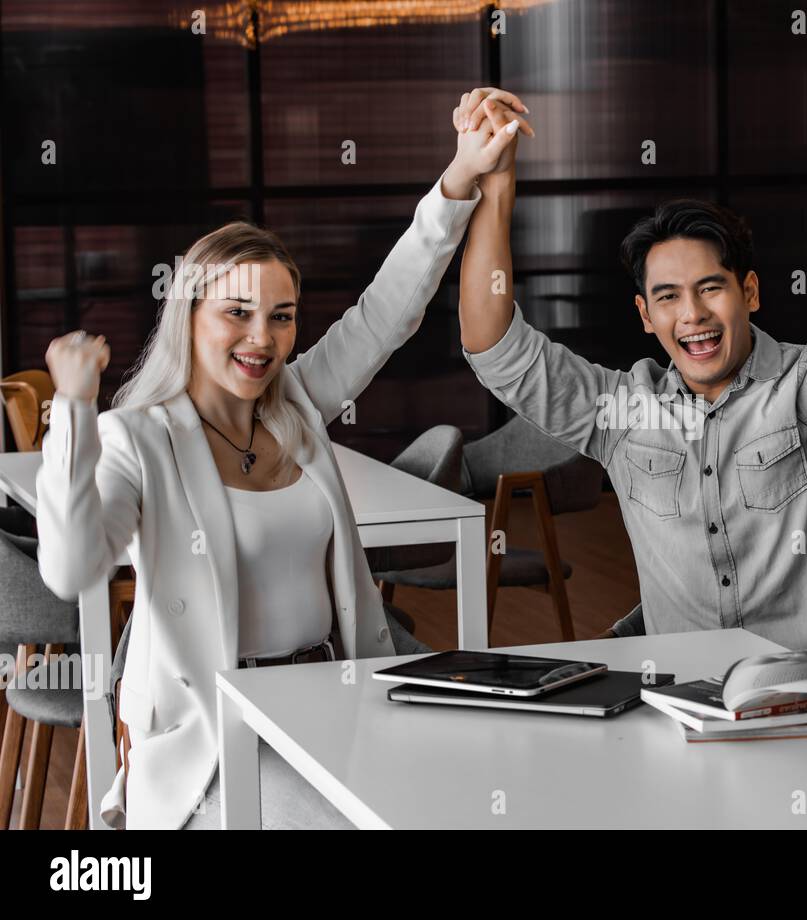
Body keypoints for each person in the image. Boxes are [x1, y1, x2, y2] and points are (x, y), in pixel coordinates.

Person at [34, 100, 526, 829]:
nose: (261, 338)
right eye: (237, 312)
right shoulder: (137, 438)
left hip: (336, 700)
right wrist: (72, 411)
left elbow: (388, 310)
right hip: (220, 742)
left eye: (282, 315)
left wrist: (462, 173)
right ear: (190, 314)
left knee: (481, 800)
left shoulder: (295, 404)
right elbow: (73, 571)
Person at [451, 78, 807, 650]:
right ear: (645, 314)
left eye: (711, 289)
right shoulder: (624, 413)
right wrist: (495, 187)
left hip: (805, 714)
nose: (692, 315)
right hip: (678, 715)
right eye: (667, 298)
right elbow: (494, 348)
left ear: (751, 292)